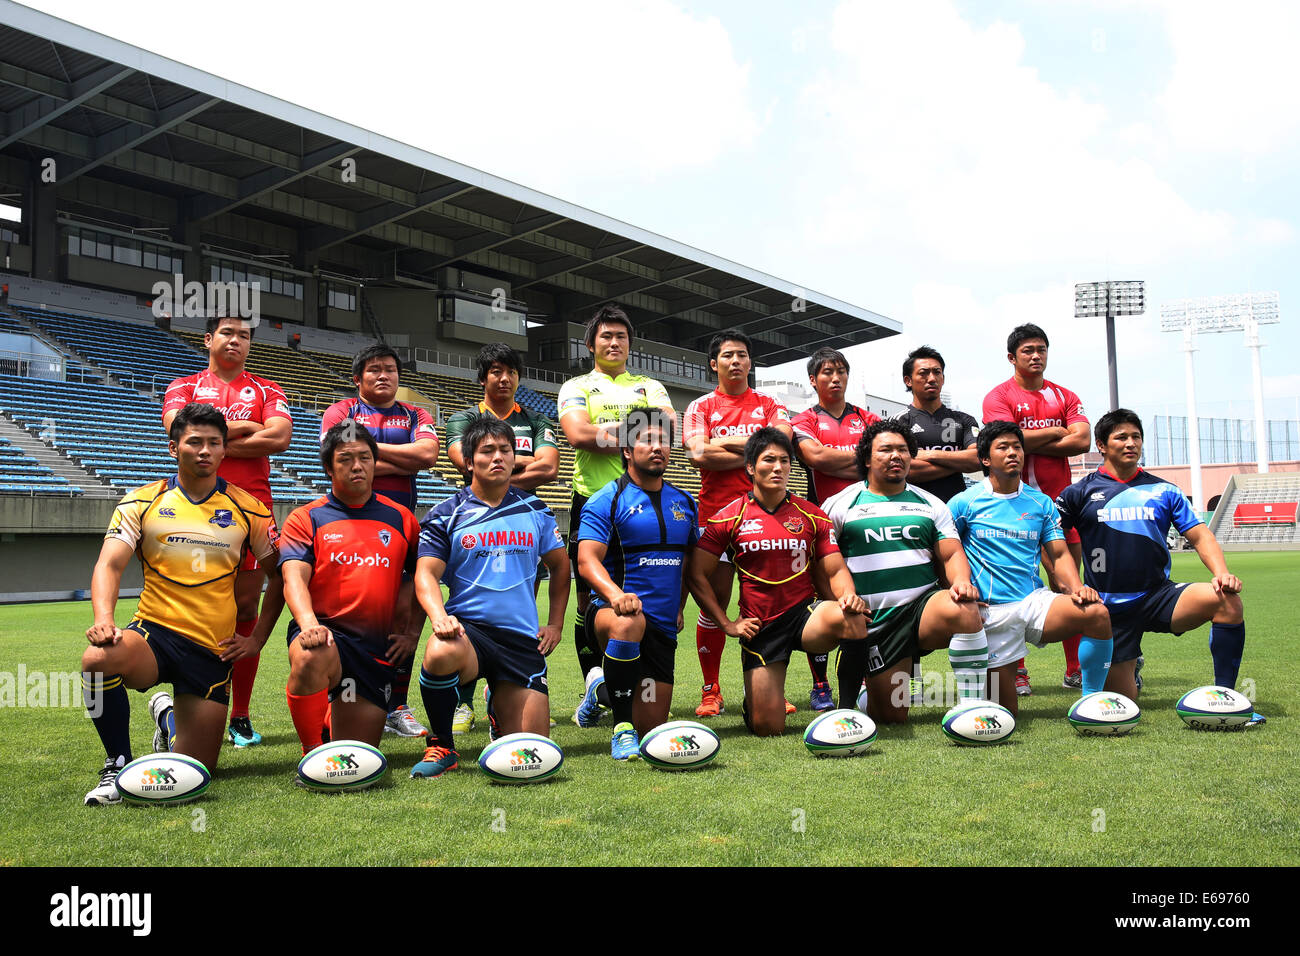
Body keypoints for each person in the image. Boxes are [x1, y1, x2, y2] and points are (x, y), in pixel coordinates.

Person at [81, 403, 281, 805]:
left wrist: (257, 638)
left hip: (212, 650)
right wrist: (104, 619)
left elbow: (281, 575)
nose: (205, 450)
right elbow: (109, 563)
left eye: (214, 443)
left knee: (194, 772)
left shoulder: (251, 509)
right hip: (154, 636)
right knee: (97, 659)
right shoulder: (141, 501)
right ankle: (116, 764)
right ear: (174, 448)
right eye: (194, 442)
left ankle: (169, 719)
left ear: (225, 451)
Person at [1055, 409, 1263, 725]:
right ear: (1101, 444)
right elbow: (1052, 542)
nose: (1130, 443)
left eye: (1136, 437)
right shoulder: (1077, 493)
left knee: (1227, 601)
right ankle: (1129, 669)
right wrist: (1070, 586)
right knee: (1122, 704)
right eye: (1121, 437)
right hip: (1108, 609)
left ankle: (1226, 699)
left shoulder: (1165, 491)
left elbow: (1200, 535)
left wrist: (1221, 573)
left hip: (1158, 596)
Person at [409, 418, 571, 778]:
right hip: (469, 634)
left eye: (505, 450)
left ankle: (499, 708)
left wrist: (556, 624)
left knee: (533, 753)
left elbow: (561, 567)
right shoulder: (445, 514)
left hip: (520, 640)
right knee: (440, 649)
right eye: (487, 451)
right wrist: (438, 616)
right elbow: (426, 574)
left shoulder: (536, 511)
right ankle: (442, 745)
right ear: (468, 462)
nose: (498, 457)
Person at [162, 314, 292, 747]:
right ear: (208, 339)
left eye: (245, 336)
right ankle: (186, 701)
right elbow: (175, 430)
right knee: (190, 604)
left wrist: (212, 436)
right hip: (194, 509)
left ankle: (239, 714)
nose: (236, 341)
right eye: (227, 333)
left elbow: (279, 438)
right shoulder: (182, 386)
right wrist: (248, 427)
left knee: (243, 605)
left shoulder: (269, 389)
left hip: (251, 509)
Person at [688, 428, 868, 736]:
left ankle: (849, 713)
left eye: (785, 460)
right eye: (769, 459)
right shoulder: (727, 518)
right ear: (749, 467)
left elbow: (835, 570)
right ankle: (754, 704)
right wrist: (728, 624)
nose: (778, 467)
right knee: (768, 727)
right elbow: (695, 574)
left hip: (804, 615)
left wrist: (848, 595)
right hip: (761, 625)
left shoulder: (813, 516)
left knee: (852, 617)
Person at [822, 420, 989, 725]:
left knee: (965, 608)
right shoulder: (839, 504)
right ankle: (867, 693)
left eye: (903, 450)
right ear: (867, 458)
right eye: (886, 449)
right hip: (876, 623)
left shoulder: (930, 503)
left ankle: (973, 708)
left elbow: (951, 552)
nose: (896, 456)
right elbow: (826, 564)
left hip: (921, 609)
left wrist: (962, 582)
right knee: (891, 716)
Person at [947, 421, 1112, 717]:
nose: (1013, 453)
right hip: (990, 611)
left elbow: (1060, 555)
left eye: (1017, 447)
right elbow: (946, 552)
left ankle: (1091, 702)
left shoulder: (1041, 502)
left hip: (1033, 602)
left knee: (1096, 613)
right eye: (1003, 447)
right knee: (1003, 711)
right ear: (985, 459)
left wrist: (1077, 588)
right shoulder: (963, 503)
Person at [557, 305, 674, 722]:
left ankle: (635, 676)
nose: (613, 343)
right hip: (593, 499)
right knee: (589, 596)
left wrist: (611, 435)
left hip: (643, 503)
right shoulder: (575, 385)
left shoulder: (649, 385)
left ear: (630, 343)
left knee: (644, 597)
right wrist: (639, 435)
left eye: (621, 337)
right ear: (591, 344)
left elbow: (668, 427)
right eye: (605, 336)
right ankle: (595, 685)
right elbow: (576, 434)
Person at [276, 423, 422, 756]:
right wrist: (309, 623)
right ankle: (311, 753)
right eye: (345, 459)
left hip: (374, 647)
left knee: (356, 754)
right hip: (323, 633)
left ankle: (330, 719)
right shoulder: (306, 518)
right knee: (314, 653)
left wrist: (412, 632)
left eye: (365, 458)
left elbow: (422, 578)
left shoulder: (401, 519)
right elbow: (293, 578)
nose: (356, 466)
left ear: (375, 463)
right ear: (329, 467)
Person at [319, 343, 439, 738]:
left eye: (390, 369)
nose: (383, 375)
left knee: (402, 615)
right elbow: (337, 453)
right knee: (350, 616)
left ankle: (396, 705)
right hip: (352, 525)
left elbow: (427, 455)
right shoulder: (342, 412)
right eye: (374, 370)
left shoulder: (415, 413)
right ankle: (339, 700)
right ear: (358, 378)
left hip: (400, 524)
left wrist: (368, 449)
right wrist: (399, 456)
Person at [444, 343, 560, 734]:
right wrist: (520, 463)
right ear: (483, 378)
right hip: (476, 519)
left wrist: (504, 473)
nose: (504, 377)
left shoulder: (538, 418)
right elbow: (463, 463)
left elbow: (551, 469)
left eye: (510, 371)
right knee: (471, 601)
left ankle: (505, 691)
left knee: (517, 602)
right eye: (495, 371)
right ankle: (463, 702)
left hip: (524, 525)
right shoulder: (463, 418)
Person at [575, 409, 698, 758]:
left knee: (654, 733)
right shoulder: (606, 499)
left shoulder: (685, 502)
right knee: (630, 622)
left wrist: (680, 605)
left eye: (663, 441)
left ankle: (600, 692)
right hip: (613, 618)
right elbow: (586, 561)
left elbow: (688, 563)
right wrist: (616, 596)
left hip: (662, 627)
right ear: (627, 451)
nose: (657, 447)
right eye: (647, 440)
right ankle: (620, 729)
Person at [682, 329, 792, 718]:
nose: (736, 361)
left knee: (768, 603)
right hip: (715, 517)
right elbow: (698, 453)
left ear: (750, 362)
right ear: (714, 363)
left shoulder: (768, 401)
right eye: (728, 355)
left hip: (767, 517)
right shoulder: (700, 406)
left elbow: (782, 443)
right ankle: (711, 689)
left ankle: (770, 683)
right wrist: (754, 449)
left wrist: (727, 447)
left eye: (743, 355)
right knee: (714, 607)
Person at [982, 324, 1090, 697]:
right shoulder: (998, 396)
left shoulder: (1065, 394)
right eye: (1027, 350)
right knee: (1015, 586)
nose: (1036, 355)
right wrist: (1055, 433)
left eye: (1041, 349)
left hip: (1059, 505)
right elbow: (1005, 441)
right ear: (1012, 357)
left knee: (1068, 581)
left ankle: (1075, 669)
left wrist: (1037, 438)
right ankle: (1018, 672)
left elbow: (1083, 439)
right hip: (1013, 505)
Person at [789, 346, 880, 712]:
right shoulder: (804, 420)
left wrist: (840, 461)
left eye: (841, 371)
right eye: (827, 372)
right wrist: (862, 459)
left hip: (868, 518)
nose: (836, 377)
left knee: (864, 599)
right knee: (827, 602)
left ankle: (863, 681)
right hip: (823, 520)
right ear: (813, 380)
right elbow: (816, 458)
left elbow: (883, 455)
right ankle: (820, 685)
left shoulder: (868, 416)